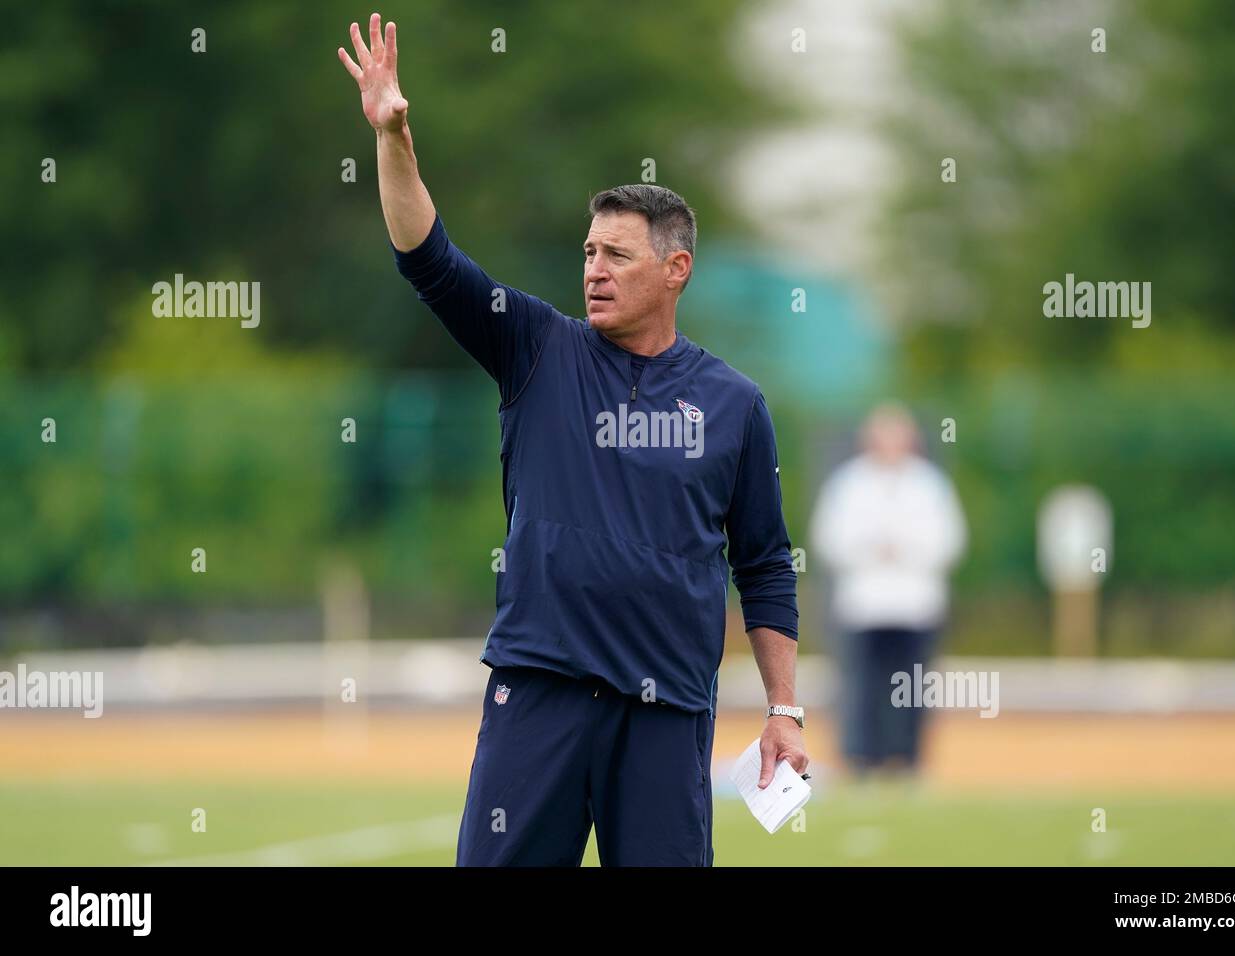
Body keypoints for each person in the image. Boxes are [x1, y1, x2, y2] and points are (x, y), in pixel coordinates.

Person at [338, 13, 807, 866]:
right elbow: (428, 258)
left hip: (665, 716)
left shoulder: (735, 404)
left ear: (676, 271)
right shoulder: (537, 349)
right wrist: (393, 137)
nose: (593, 268)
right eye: (589, 251)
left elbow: (767, 564)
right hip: (541, 698)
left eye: (618, 255)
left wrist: (784, 709)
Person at [810, 404, 966, 777]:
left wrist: (905, 550)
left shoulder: (929, 485)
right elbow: (829, 539)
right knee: (862, 687)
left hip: (915, 606)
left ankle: (907, 759)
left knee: (911, 688)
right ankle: (861, 760)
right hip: (864, 606)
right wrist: (871, 549)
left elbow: (949, 540)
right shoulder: (848, 484)